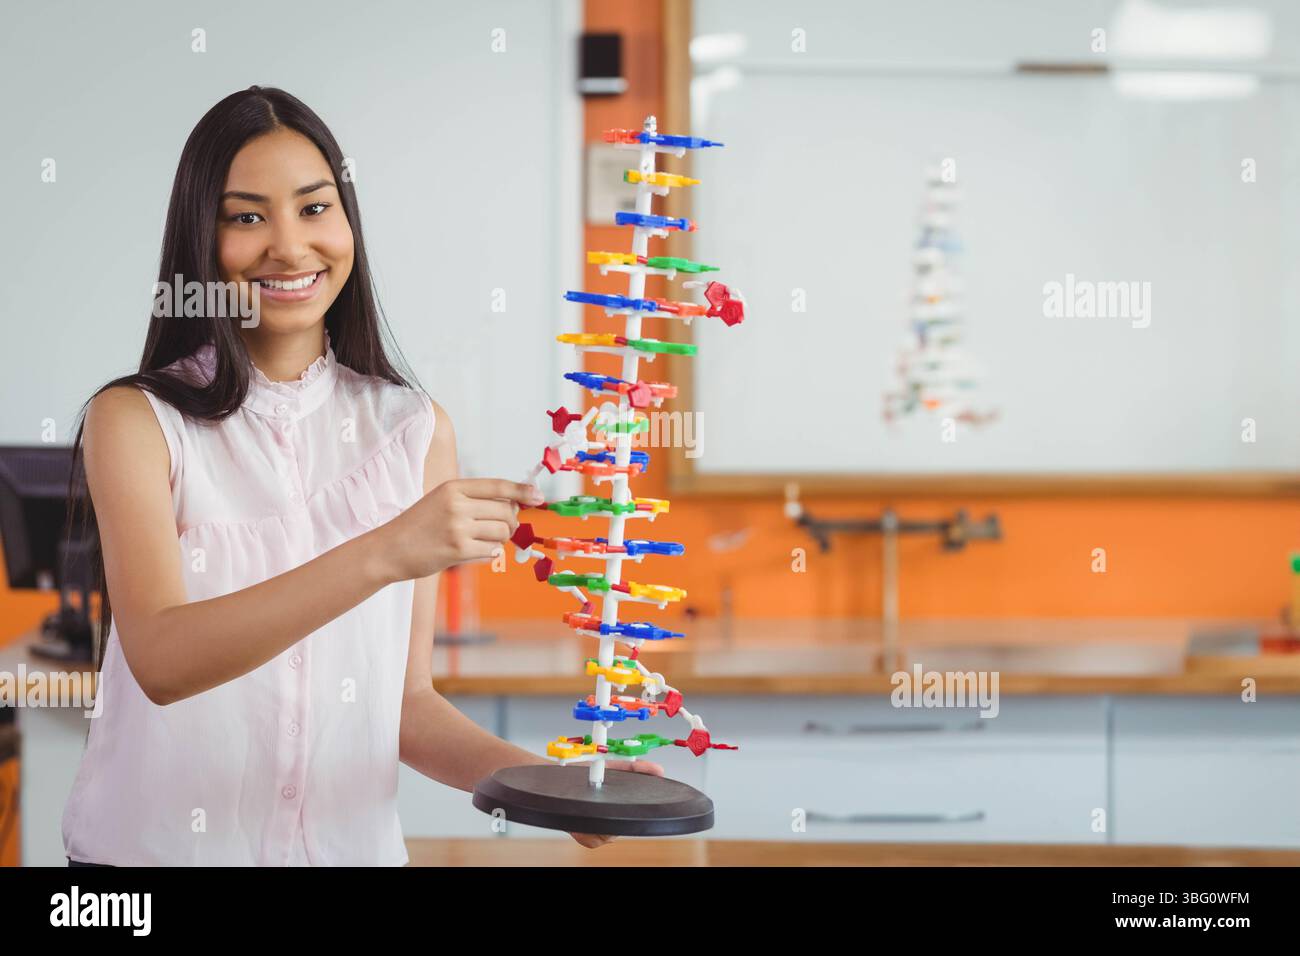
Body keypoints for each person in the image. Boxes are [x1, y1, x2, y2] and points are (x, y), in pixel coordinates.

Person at [61, 86, 661, 866]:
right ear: (199, 243)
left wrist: (549, 784)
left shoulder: (414, 430)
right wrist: (386, 549)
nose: (290, 246)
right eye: (247, 217)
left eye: (315, 209)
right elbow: (165, 662)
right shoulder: (136, 423)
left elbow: (405, 708)